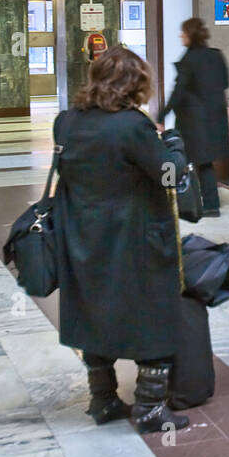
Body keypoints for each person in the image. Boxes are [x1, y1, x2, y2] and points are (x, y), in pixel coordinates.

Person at [52, 48, 190, 434]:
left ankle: (103, 399)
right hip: (136, 236)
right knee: (154, 312)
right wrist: (176, 145)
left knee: (95, 309)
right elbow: (167, 174)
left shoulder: (67, 122)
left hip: (82, 234)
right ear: (136, 83)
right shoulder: (131, 125)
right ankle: (149, 407)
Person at [159, 17, 229, 217]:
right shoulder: (216, 56)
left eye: (183, 32)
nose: (180, 35)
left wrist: (161, 115)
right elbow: (226, 83)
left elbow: (178, 91)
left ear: (190, 35)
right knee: (204, 162)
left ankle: (185, 199)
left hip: (193, 121)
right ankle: (209, 203)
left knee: (186, 159)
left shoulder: (189, 60)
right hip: (214, 117)